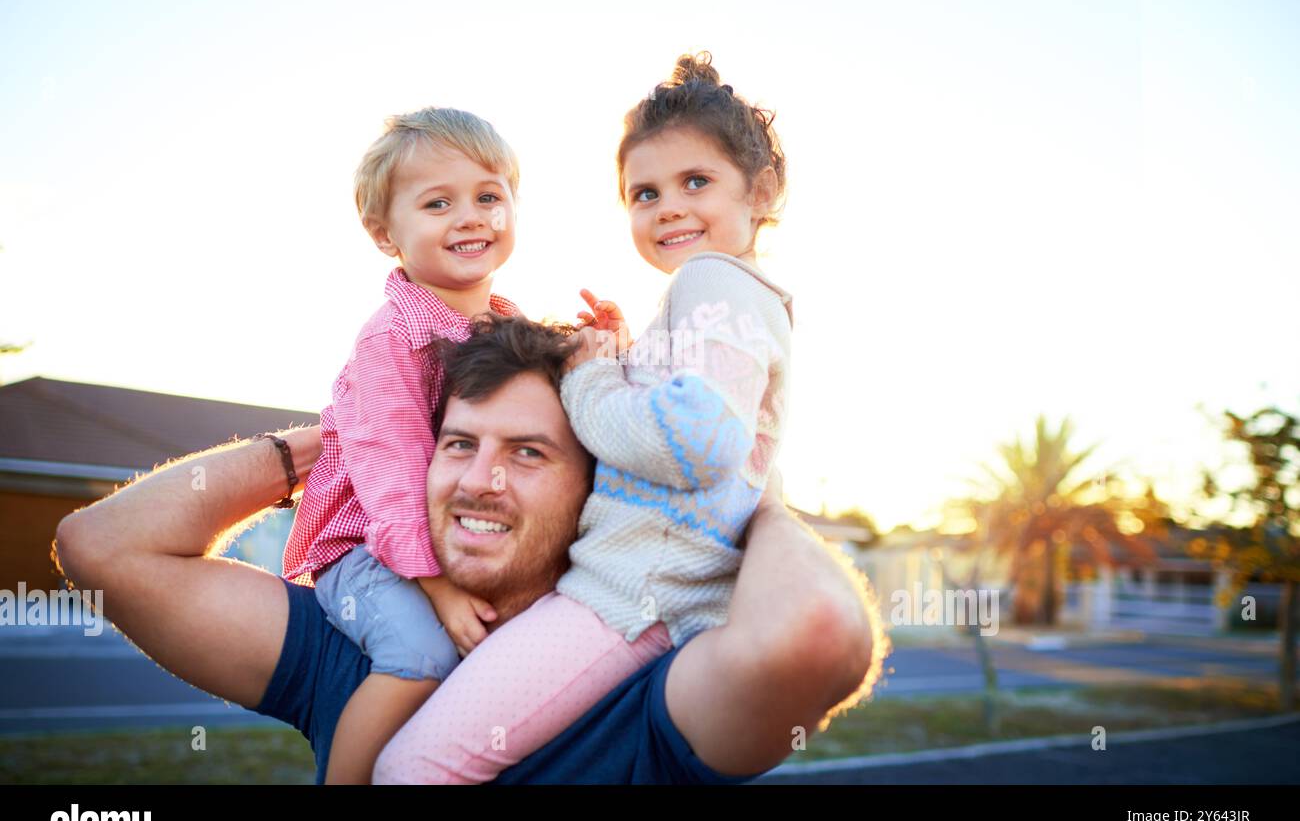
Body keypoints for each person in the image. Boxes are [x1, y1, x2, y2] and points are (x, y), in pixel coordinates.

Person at [53, 316, 885, 784]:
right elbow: (102, 547)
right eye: (457, 444)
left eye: (528, 452)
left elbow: (816, 629)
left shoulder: (646, 685)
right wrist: (356, 443)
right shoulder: (372, 655)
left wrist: (741, 494)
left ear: (598, 488)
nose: (480, 478)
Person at [374, 51, 799, 783]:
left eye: (695, 181)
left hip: (629, 596)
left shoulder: (708, 280)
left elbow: (691, 440)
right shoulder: (742, 299)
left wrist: (592, 377)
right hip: (655, 586)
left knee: (413, 765)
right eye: (644, 192)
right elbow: (691, 417)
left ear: (761, 189)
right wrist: (624, 355)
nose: (667, 206)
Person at [282, 107, 523, 782]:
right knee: (423, 654)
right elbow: (393, 481)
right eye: (438, 202)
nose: (470, 216)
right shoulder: (391, 338)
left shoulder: (509, 325)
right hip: (363, 549)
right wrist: (441, 591)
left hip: (452, 538)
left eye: (488, 196)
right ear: (386, 234)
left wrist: (599, 348)